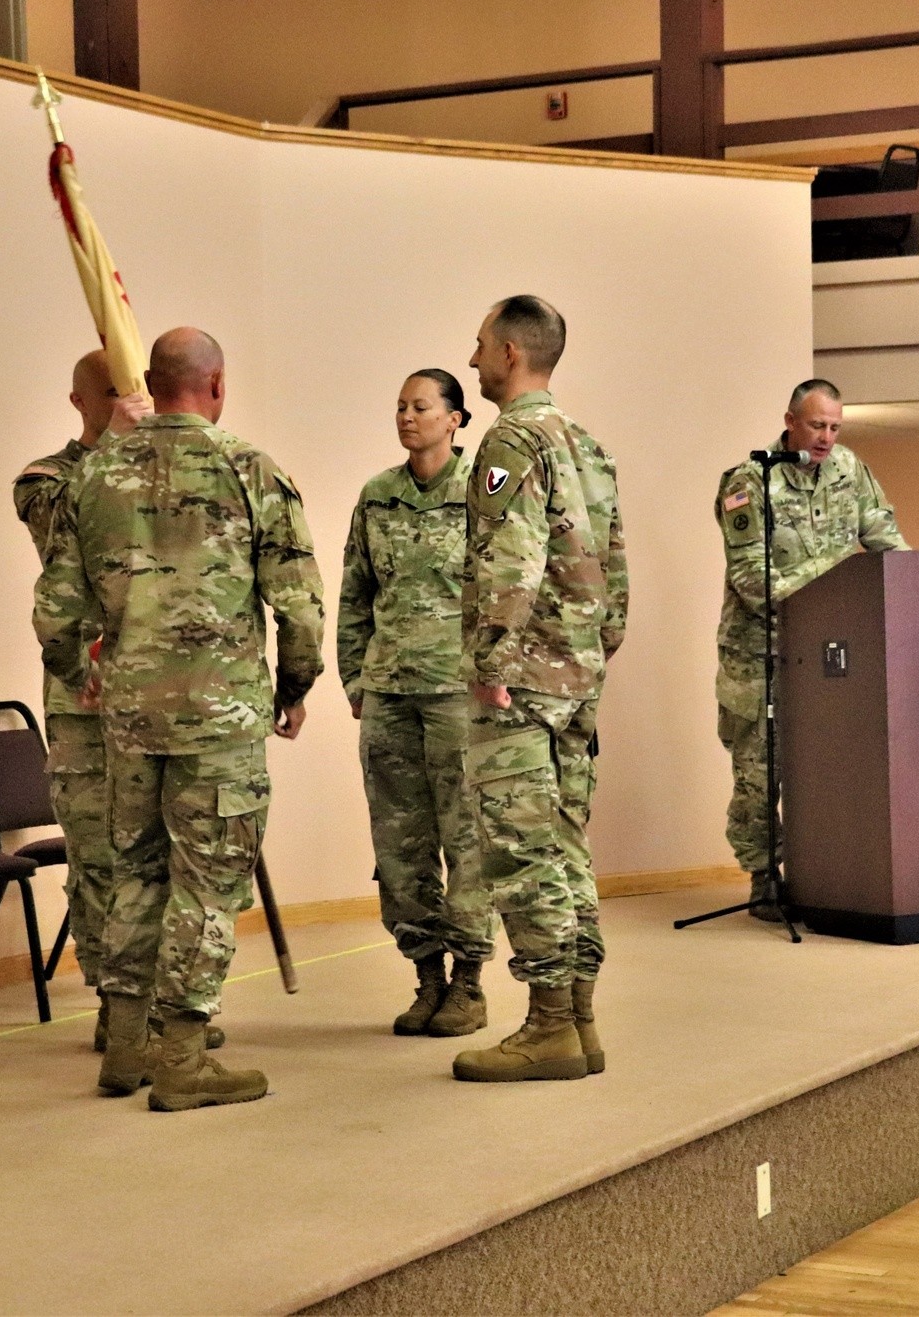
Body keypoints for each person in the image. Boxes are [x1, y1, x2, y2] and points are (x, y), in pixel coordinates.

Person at [35, 327, 323, 1112]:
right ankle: (184, 1056)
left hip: (127, 719)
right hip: (218, 720)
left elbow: (55, 610)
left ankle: (123, 1048)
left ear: (151, 386)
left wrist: (83, 677)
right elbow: (298, 604)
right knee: (206, 883)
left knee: (133, 873)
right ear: (217, 385)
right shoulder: (251, 470)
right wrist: (293, 688)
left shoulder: (95, 477)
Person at [451, 295, 627, 1084]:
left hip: (521, 681)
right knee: (562, 845)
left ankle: (551, 1023)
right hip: (575, 676)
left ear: (514, 353)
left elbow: (511, 560)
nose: (472, 355)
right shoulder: (584, 443)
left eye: (482, 343)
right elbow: (615, 572)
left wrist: (492, 662)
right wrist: (590, 655)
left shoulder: (512, 439)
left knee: (520, 851)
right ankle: (581, 1019)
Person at [713, 378, 908, 921]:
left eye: (835, 427)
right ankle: (763, 879)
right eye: (818, 425)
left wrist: (916, 585)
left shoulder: (850, 471)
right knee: (760, 776)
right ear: (791, 421)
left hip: (830, 660)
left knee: (830, 769)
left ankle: (825, 875)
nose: (826, 437)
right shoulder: (748, 482)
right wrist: (836, 577)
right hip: (761, 659)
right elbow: (752, 579)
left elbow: (886, 540)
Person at [338, 369, 494, 1039]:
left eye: (421, 406)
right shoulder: (377, 497)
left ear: (455, 418)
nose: (407, 416)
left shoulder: (484, 491)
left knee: (465, 836)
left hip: (459, 696)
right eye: (400, 405)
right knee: (399, 843)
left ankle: (469, 981)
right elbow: (354, 595)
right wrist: (356, 682)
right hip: (390, 696)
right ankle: (426, 974)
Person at [11, 351, 145, 1053]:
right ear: (81, 402)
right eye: (116, 393)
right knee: (99, 856)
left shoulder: (152, 473)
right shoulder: (46, 477)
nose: (132, 402)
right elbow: (63, 530)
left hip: (158, 693)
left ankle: (169, 998)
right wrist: (111, 449)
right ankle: (114, 1000)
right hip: (85, 702)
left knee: (162, 855)